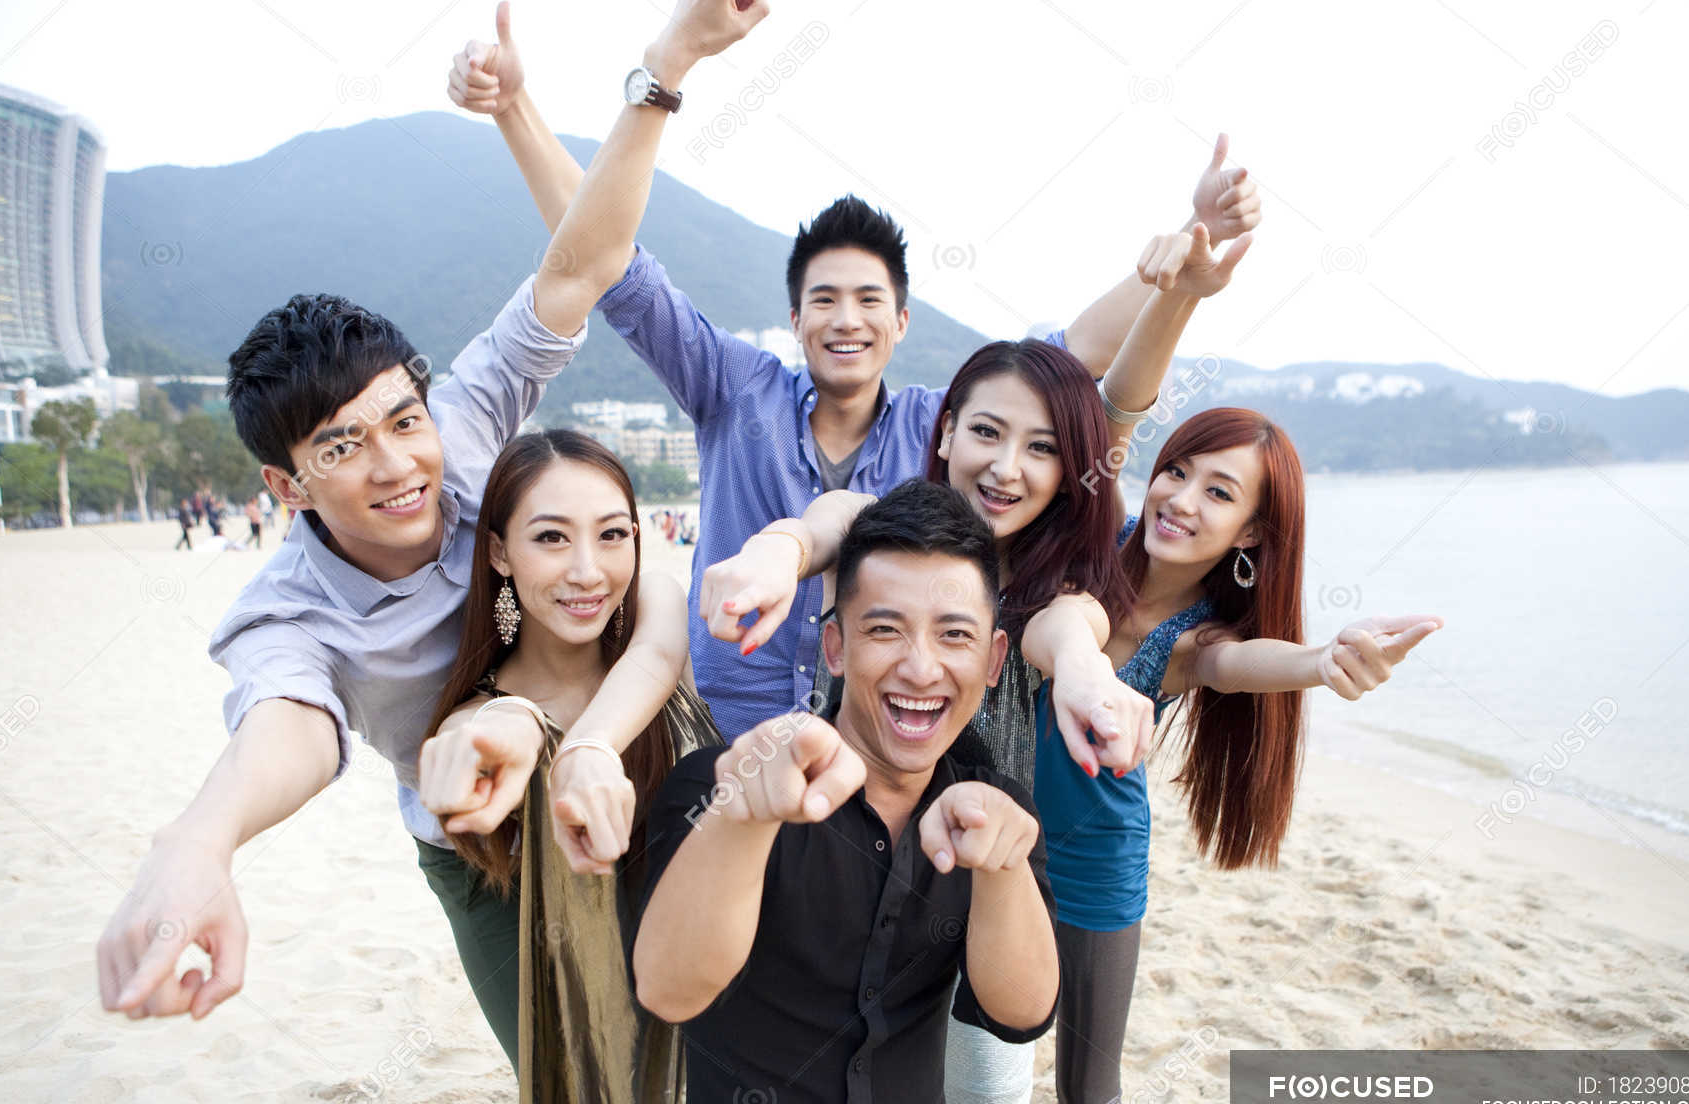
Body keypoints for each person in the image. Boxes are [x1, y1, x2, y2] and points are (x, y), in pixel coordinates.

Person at [91, 5, 772, 1104]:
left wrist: (660, 70)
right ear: (284, 481)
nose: (401, 465)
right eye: (343, 446)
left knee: (676, 1062)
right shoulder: (288, 613)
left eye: (402, 420)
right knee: (566, 1091)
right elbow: (291, 727)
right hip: (478, 845)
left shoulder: (461, 438)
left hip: (619, 772)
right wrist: (200, 843)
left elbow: (584, 264)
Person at [450, 37, 1263, 742]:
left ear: (902, 321)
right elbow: (610, 264)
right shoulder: (735, 387)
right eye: (825, 301)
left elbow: (1074, 354)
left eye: (870, 301)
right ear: (795, 318)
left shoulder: (944, 427)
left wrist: (1189, 250)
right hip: (723, 727)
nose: (848, 320)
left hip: (869, 742)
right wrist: (515, 109)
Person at [699, 219, 1253, 1104]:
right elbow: (829, 521)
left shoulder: (1058, 585)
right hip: (862, 855)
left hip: (986, 864)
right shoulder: (893, 530)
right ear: (943, 430)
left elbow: (1069, 634)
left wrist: (1088, 683)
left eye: (1043, 448)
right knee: (848, 1092)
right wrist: (775, 555)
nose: (1007, 467)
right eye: (987, 432)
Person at [1024, 404, 1440, 1104]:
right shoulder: (1087, 545)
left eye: (1220, 493)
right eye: (1177, 472)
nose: (1180, 499)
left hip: (1094, 861)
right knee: (974, 1044)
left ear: (1251, 533)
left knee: (1086, 1092)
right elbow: (1116, 395)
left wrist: (1325, 661)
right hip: (996, 832)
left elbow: (1242, 665)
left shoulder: (1196, 640)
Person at [633, 480, 1061, 1104]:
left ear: (991, 660)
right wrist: (741, 818)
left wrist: (1005, 869)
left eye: (953, 635)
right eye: (885, 629)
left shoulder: (995, 812)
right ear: (834, 644)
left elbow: (1022, 1014)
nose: (921, 668)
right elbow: (670, 991)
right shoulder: (724, 783)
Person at [417, 430, 722, 1104]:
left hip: (678, 963)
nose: (588, 571)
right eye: (551, 538)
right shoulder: (491, 717)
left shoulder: (656, 653)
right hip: (523, 929)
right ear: (498, 552)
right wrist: (481, 739)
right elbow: (480, 737)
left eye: (612, 535)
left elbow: (657, 629)